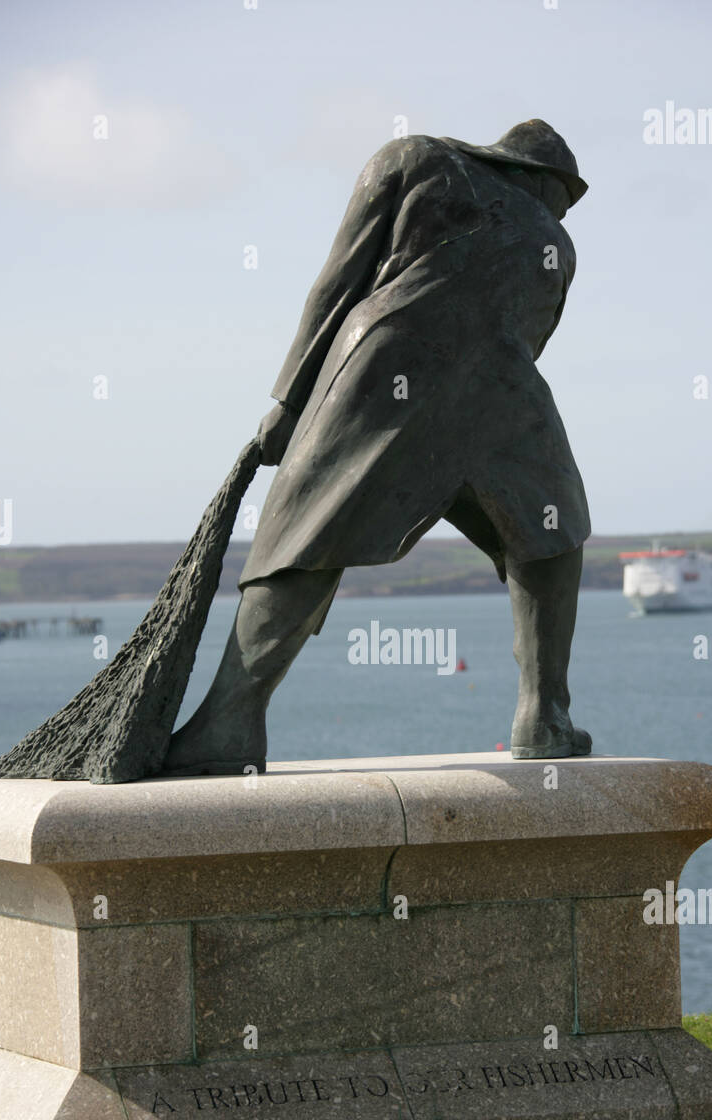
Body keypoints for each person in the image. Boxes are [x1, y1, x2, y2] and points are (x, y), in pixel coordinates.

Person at [164, 119, 592, 775]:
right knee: (544, 535)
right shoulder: (426, 163)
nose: (565, 210)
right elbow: (343, 282)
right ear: (539, 177)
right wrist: (290, 403)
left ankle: (543, 715)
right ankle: (228, 719)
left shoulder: (435, 173)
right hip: (465, 381)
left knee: (546, 534)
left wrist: (290, 402)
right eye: (567, 194)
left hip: (425, 373)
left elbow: (337, 286)